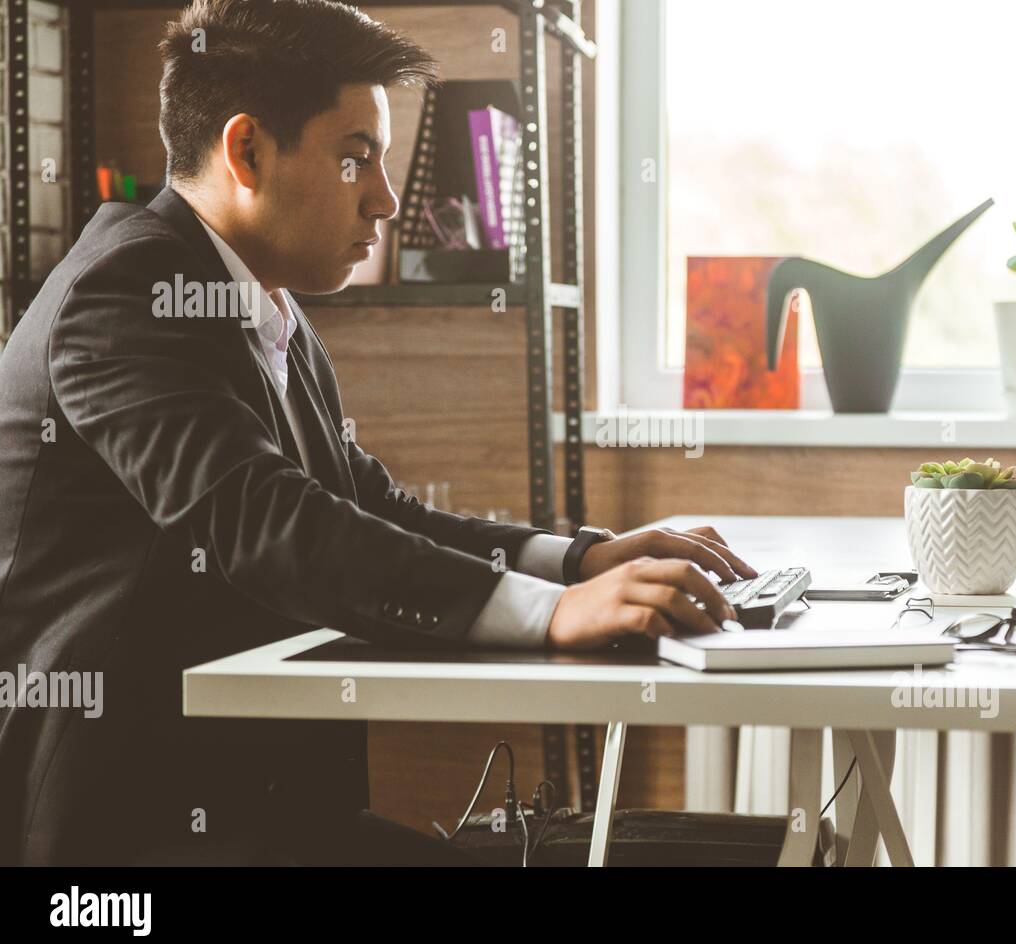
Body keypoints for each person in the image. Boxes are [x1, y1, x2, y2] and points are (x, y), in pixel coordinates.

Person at [0, 0, 754, 866]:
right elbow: (266, 521)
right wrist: (552, 615)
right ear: (246, 151)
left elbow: (371, 506)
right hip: (132, 834)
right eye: (356, 158)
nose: (386, 199)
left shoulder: (266, 302)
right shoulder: (127, 290)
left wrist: (580, 560)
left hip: (266, 814)